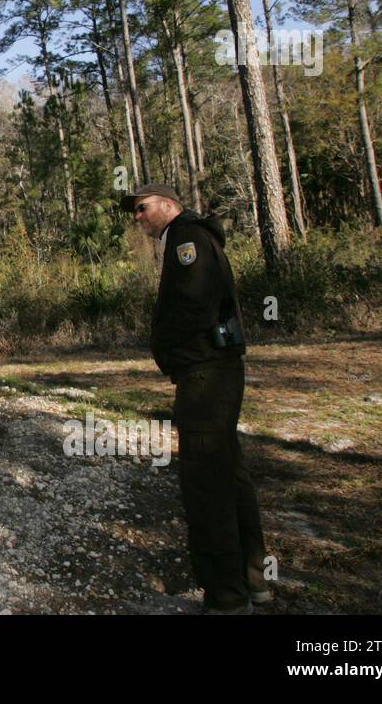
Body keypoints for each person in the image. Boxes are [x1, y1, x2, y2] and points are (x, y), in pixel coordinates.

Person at [120, 184, 271, 614]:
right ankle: (252, 578)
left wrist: (166, 351)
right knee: (229, 472)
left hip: (205, 373)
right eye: (135, 211)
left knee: (206, 483)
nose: (138, 216)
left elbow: (193, 305)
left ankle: (225, 597)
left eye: (143, 208)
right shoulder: (192, 237)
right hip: (214, 368)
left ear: (168, 205)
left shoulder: (186, 238)